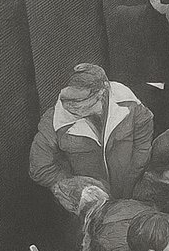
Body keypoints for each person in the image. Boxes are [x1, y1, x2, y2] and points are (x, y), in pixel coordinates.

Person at [29, 62, 154, 200]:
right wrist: (77, 187)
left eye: (82, 102)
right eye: (69, 101)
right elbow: (39, 168)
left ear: (102, 92)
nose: (73, 108)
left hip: (131, 195)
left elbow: (142, 145)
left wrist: (131, 186)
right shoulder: (52, 121)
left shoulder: (131, 106)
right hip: (88, 204)